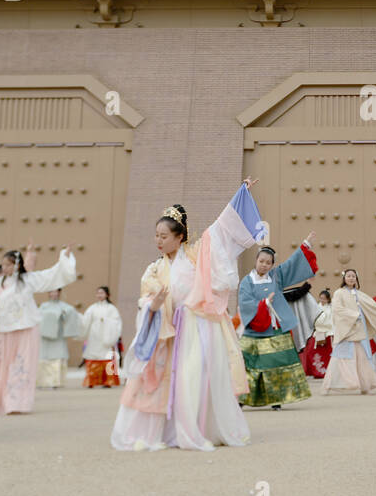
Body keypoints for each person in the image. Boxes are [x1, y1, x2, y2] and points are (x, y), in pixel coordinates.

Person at [112, 181, 263, 451]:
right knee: (159, 384)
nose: (158, 241)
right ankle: (159, 433)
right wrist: (153, 306)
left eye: (164, 236)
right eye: (156, 235)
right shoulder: (154, 269)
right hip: (167, 333)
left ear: (179, 237)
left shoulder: (195, 258)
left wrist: (242, 196)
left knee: (196, 379)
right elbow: (145, 299)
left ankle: (198, 428)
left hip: (194, 330)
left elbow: (218, 232)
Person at [0, 242, 78, 415]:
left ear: (17, 265)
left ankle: (16, 403)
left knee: (19, 366)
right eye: (3, 264)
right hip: (4, 330)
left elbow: (51, 275)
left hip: (26, 329)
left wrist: (64, 259)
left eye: (8, 264)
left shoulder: (28, 280)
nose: (4, 267)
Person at [237, 234, 319, 409]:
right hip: (255, 329)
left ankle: (278, 398)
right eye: (262, 261)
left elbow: (291, 265)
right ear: (256, 260)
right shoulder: (247, 282)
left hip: (275, 328)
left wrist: (305, 245)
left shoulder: (276, 276)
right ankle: (242, 398)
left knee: (278, 364)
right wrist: (263, 304)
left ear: (272, 265)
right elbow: (244, 303)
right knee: (248, 364)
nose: (265, 265)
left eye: (268, 262)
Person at [315, 269, 376, 395]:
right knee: (338, 358)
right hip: (346, 331)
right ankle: (328, 386)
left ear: (356, 279)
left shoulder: (359, 294)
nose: (351, 278)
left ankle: (366, 385)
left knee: (361, 359)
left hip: (358, 330)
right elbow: (337, 309)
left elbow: (372, 306)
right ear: (344, 278)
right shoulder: (339, 293)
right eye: (348, 276)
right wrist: (354, 315)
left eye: (353, 276)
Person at [36, 289, 81, 389]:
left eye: (55, 292)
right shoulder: (44, 306)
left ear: (59, 293)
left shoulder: (64, 306)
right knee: (44, 358)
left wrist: (64, 314)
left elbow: (71, 315)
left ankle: (55, 382)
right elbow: (38, 317)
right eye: (51, 292)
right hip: (45, 336)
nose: (53, 294)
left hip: (58, 336)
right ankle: (42, 382)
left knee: (57, 357)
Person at [79, 286, 123, 387]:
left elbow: (116, 322)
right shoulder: (92, 308)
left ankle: (109, 381)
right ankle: (92, 381)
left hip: (106, 337)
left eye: (102, 293)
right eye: (98, 293)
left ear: (107, 295)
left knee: (107, 357)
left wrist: (106, 321)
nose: (99, 295)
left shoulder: (112, 309)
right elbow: (85, 321)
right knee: (93, 356)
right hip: (94, 336)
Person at [301, 288, 333, 379]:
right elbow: (312, 320)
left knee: (327, 354)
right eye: (320, 298)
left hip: (328, 334)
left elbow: (330, 321)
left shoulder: (331, 309)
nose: (322, 300)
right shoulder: (316, 307)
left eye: (324, 298)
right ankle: (316, 372)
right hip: (317, 334)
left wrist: (321, 325)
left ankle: (328, 372)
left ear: (328, 299)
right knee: (312, 352)